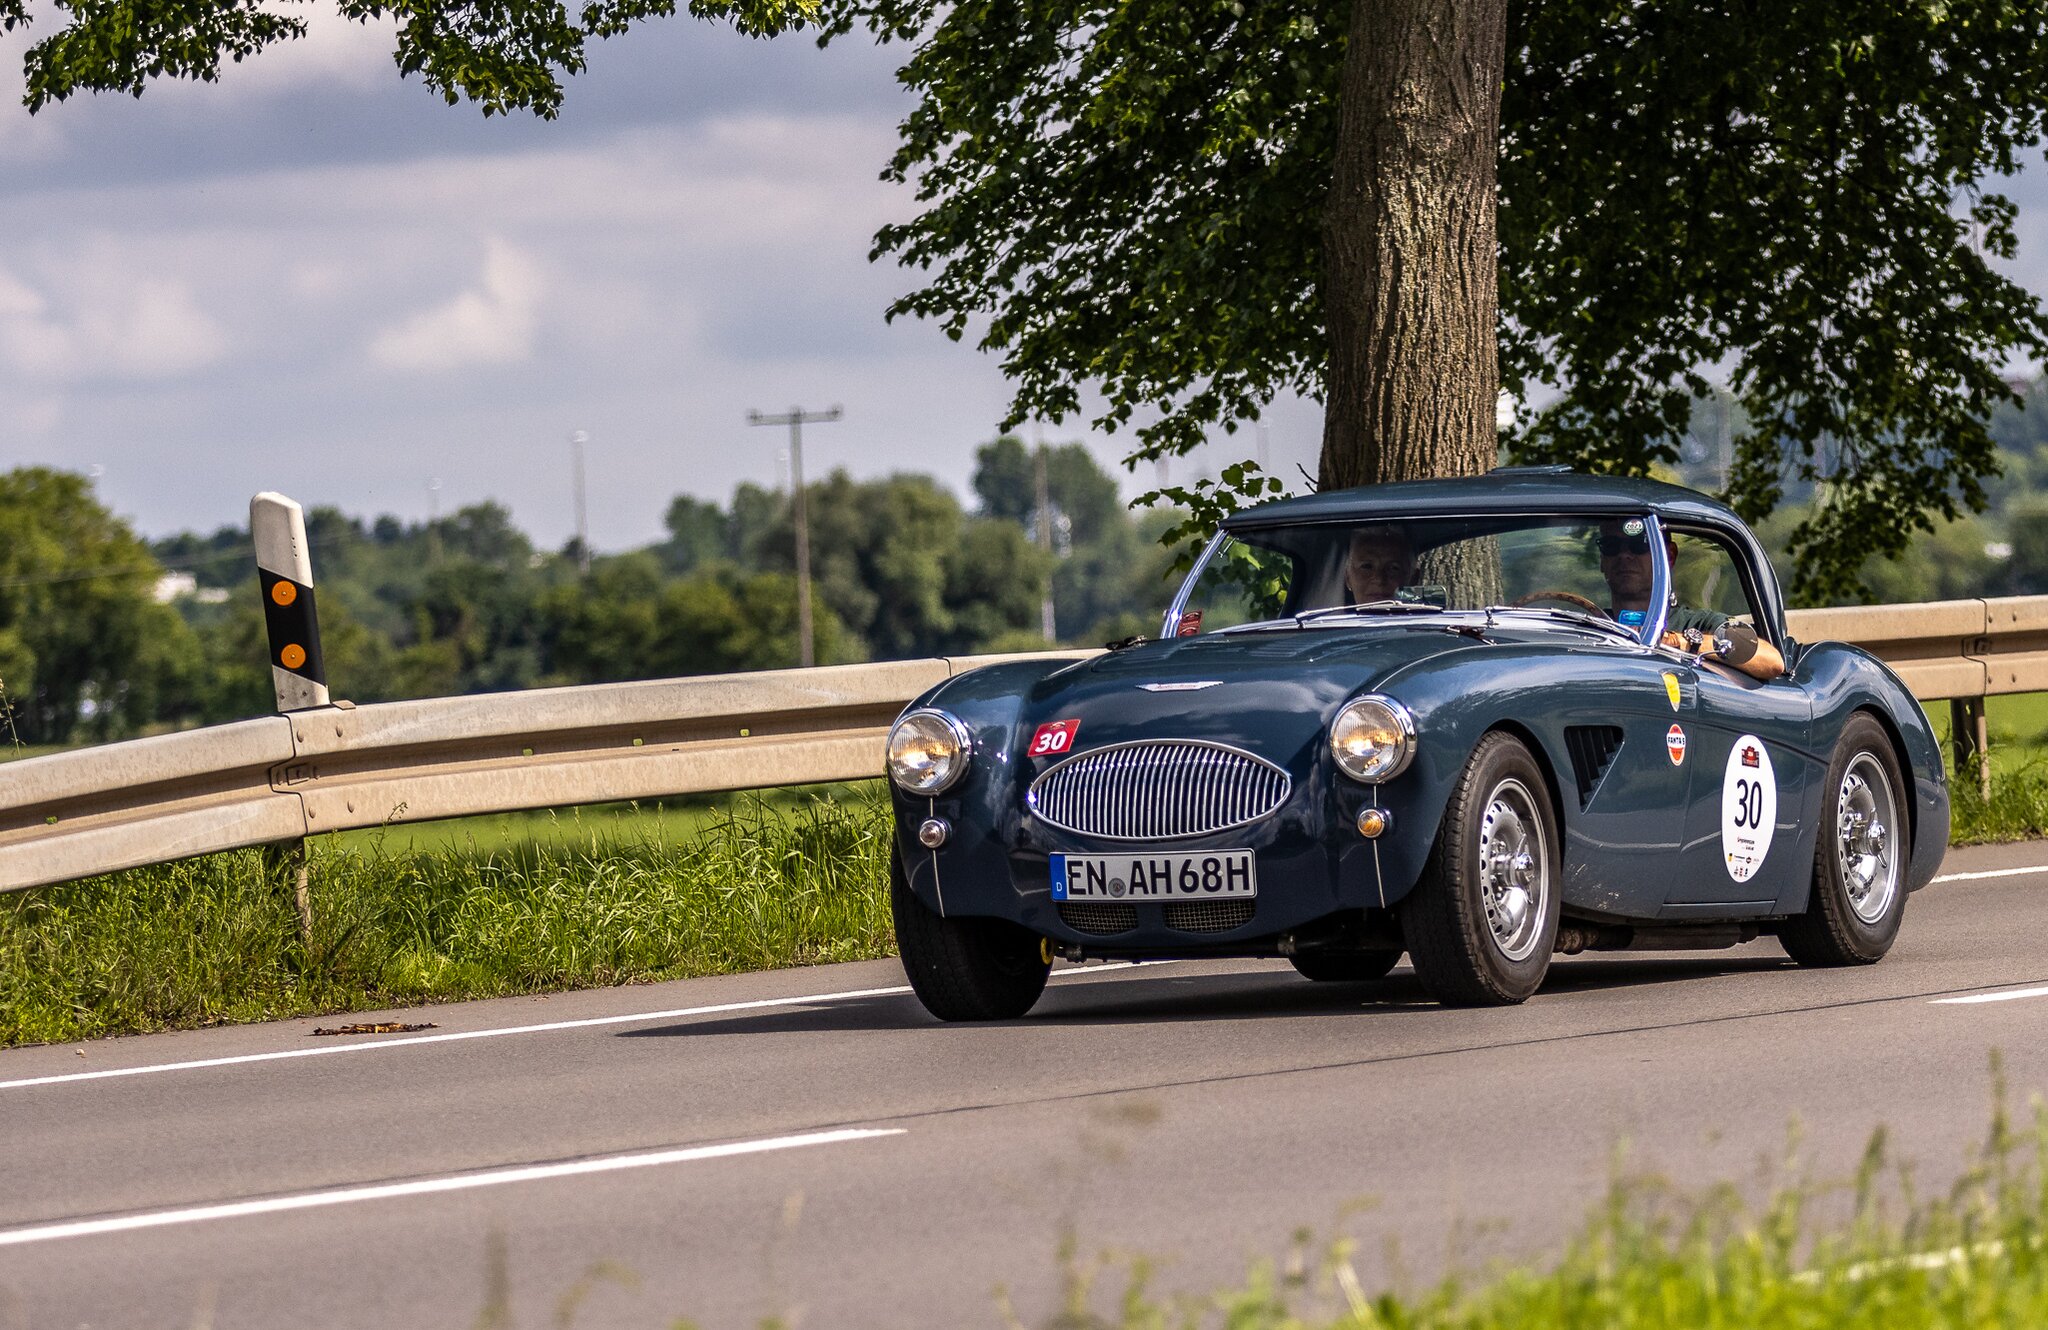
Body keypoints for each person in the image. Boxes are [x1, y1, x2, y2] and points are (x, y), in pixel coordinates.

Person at [1597, 520, 1786, 681]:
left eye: (1640, 544)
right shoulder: (1586, 626)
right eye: (1610, 546)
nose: (1624, 555)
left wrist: (1677, 641)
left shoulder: (1699, 623)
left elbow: (1771, 660)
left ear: (1669, 556)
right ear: (1602, 560)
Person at [1344, 526, 1417, 605]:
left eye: (1393, 568)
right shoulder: (1331, 617)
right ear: (1348, 578)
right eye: (1367, 566)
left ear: (1413, 580)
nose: (1379, 579)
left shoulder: (1429, 617)